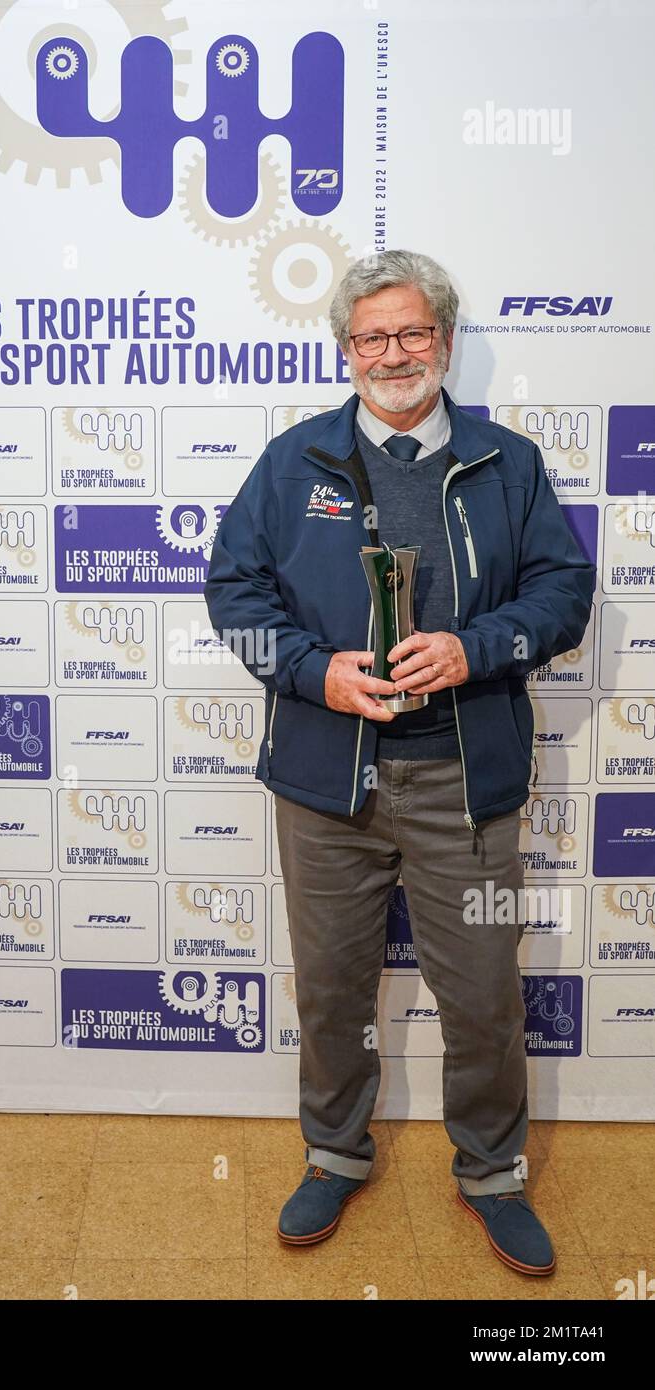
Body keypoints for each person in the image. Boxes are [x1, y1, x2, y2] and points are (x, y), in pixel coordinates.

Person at [203, 249, 596, 1277]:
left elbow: (562, 594)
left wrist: (475, 647)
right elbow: (231, 597)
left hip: (462, 785)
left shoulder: (506, 464)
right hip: (327, 785)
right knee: (332, 991)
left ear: (444, 341)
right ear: (345, 350)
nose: (393, 353)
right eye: (371, 336)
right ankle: (334, 1152)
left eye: (412, 332)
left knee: (479, 993)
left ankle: (491, 1171)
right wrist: (308, 675)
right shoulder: (293, 464)